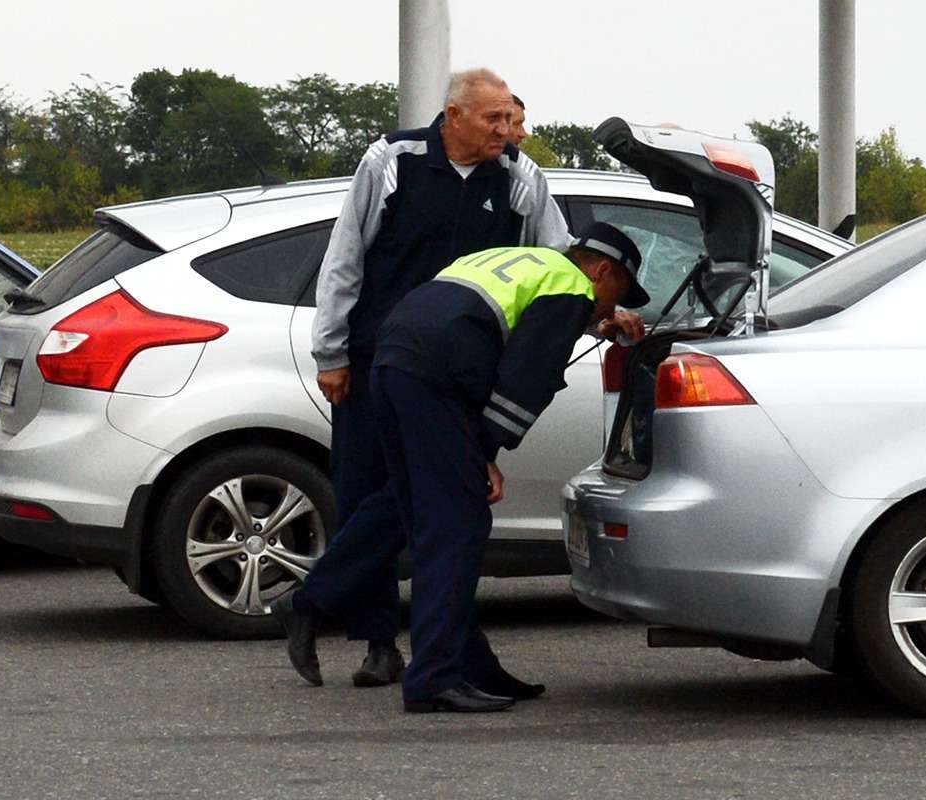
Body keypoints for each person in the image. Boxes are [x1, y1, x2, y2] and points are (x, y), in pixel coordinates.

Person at [274, 67, 574, 689]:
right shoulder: (394, 159)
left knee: (423, 503)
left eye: (510, 119)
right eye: (493, 119)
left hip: (456, 369)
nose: (506, 131)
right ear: (453, 116)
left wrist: (606, 308)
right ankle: (379, 644)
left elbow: (557, 259)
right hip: (374, 357)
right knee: (370, 494)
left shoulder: (520, 177)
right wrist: (331, 351)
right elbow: (345, 256)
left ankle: (327, 604)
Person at [373, 222, 649, 712]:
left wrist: (595, 325)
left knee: (434, 525)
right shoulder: (571, 286)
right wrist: (487, 453)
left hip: (394, 363)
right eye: (615, 295)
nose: (608, 307)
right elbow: (525, 382)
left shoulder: (520, 259)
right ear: (602, 271)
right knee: (458, 527)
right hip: (436, 379)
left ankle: (472, 666)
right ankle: (434, 677)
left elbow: (502, 315)